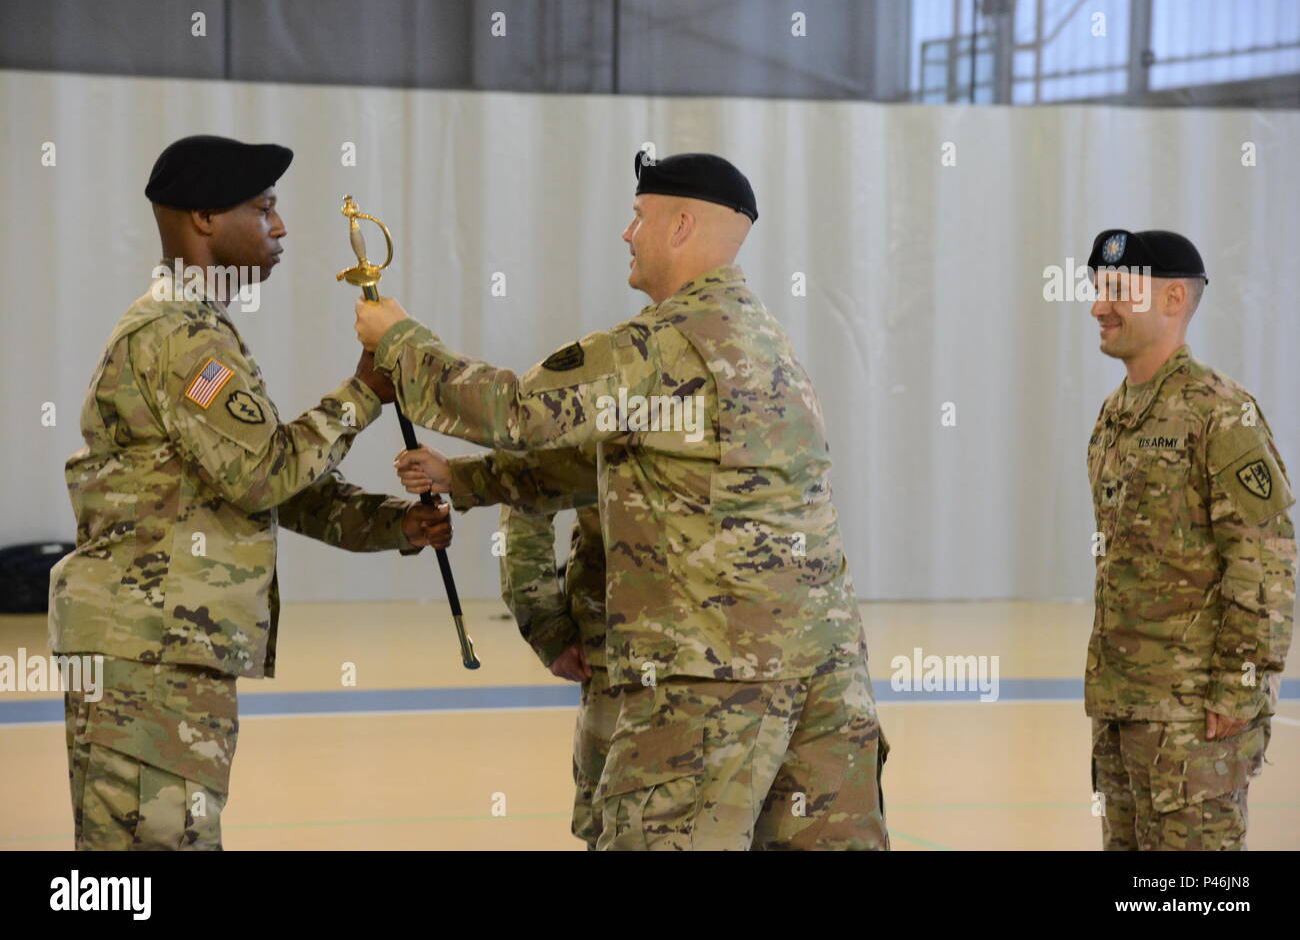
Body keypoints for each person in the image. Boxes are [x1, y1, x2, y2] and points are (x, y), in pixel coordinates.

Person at [358, 152, 888, 850]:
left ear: (682, 226)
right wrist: (461, 479)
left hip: (708, 681)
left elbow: (519, 410)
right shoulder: (769, 345)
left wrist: (398, 341)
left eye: (639, 216)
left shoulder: (661, 346)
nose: (625, 233)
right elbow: (594, 464)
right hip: (825, 677)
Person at [48, 134, 451, 850]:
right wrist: (364, 392)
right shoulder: (180, 339)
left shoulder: (198, 330)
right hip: (150, 660)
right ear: (205, 217)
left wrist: (395, 524)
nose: (282, 227)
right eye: (264, 208)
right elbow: (264, 472)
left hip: (165, 656)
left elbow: (264, 486)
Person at [1085, 227, 1295, 850]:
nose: (1100, 305)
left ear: (1173, 300)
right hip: (1122, 706)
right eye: (1098, 288)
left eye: (1119, 289)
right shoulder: (1115, 415)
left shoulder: (1220, 413)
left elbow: (1265, 564)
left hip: (1191, 719)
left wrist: (1238, 689)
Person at [399, 444, 613, 847]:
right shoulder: (601, 388)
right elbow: (531, 496)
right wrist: (547, 625)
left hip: (758, 657)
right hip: (623, 653)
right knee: (619, 822)